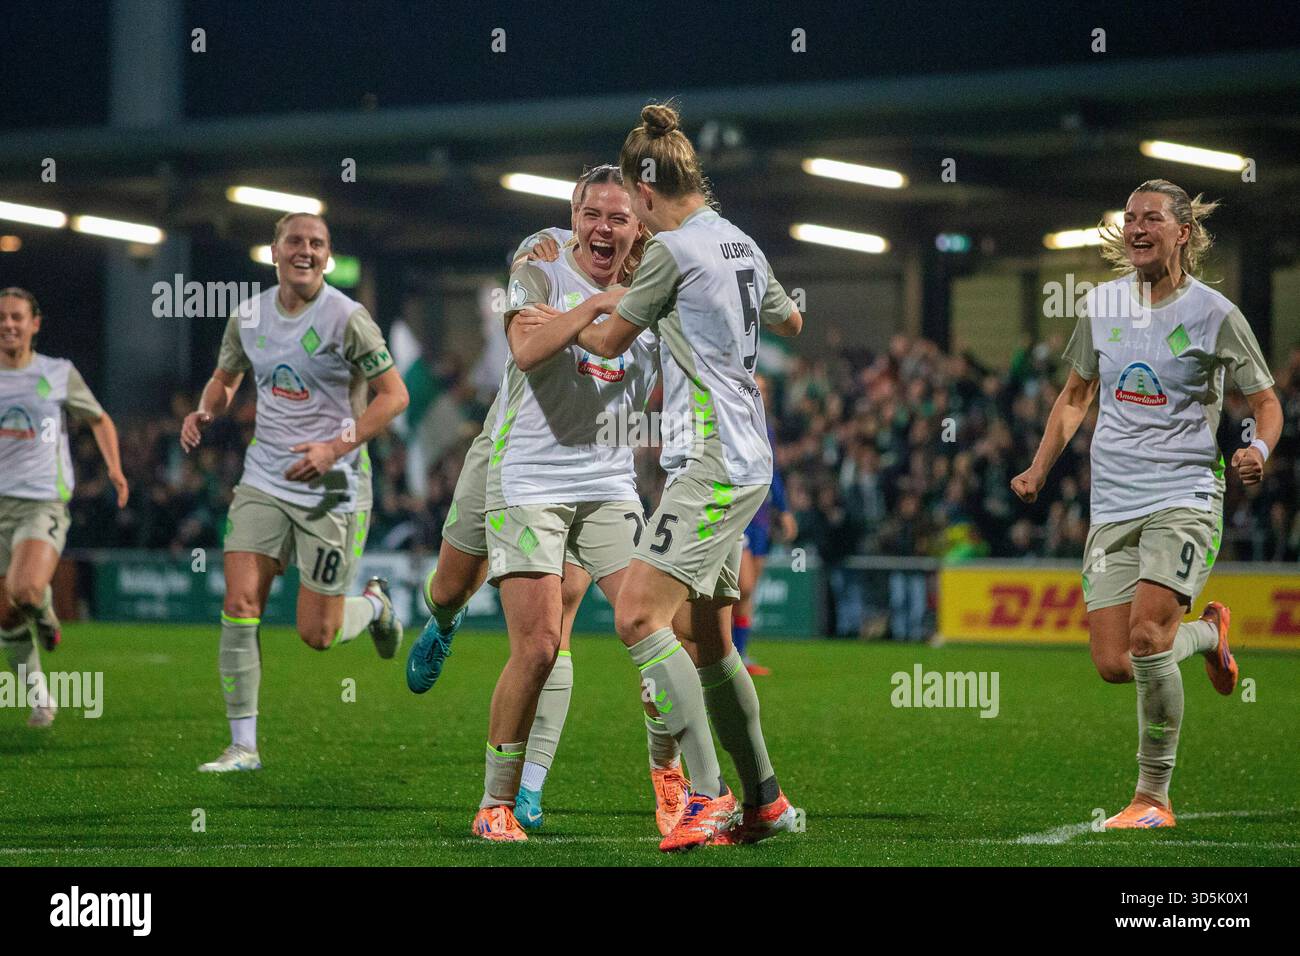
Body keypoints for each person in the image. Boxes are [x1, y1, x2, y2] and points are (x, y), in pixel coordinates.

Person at [408, 170, 688, 835]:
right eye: (591, 215)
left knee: (643, 632)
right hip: (517, 465)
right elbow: (528, 348)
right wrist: (597, 305)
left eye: (618, 219)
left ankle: (652, 785)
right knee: (452, 589)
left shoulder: (665, 282)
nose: (603, 228)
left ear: (638, 228)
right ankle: (443, 625)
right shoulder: (540, 259)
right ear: (573, 216)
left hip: (603, 485)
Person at [1011, 179, 1282, 828]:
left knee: (1148, 635)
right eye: (1129, 218)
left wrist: (1260, 452)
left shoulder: (1215, 315)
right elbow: (1076, 395)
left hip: (1185, 495)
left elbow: (1266, 403)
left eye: (1151, 218)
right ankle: (1211, 635)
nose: (1136, 227)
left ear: (1182, 232)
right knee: (1115, 663)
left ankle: (1153, 798)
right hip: (1113, 503)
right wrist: (1038, 466)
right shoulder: (1102, 304)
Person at [576, 102, 804, 850]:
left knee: (638, 615)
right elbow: (789, 322)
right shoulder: (738, 243)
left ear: (643, 196)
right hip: (744, 455)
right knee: (706, 638)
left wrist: (598, 297)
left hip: (710, 462)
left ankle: (707, 796)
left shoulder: (672, 252)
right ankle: (766, 800)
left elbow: (608, 343)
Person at [182, 212, 409, 772]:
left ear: (326, 257)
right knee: (239, 604)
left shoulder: (348, 319)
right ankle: (243, 746)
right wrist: (208, 408)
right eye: (296, 241)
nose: (306, 251)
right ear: (275, 250)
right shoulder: (250, 314)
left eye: (317, 243)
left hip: (334, 485)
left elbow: (394, 396)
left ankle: (377, 606)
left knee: (318, 633)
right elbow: (227, 375)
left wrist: (334, 449)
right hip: (264, 477)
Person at [0, 288, 128, 727]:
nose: (8, 325)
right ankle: (40, 699)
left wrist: (114, 468)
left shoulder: (57, 373)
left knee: (26, 591)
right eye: (2, 317)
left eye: (17, 317)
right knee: (6, 614)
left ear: (34, 324)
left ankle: (46, 607)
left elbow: (98, 418)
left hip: (41, 501)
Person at [734, 373, 797, 674]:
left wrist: (783, 510)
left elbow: (772, 471)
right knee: (741, 586)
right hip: (738, 515)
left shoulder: (766, 428)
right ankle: (722, 652)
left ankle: (741, 655)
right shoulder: (735, 423)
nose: (762, 393)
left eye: (766, 389)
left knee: (749, 589)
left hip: (760, 518)